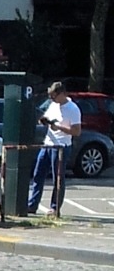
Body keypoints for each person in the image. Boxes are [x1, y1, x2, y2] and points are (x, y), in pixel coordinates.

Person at [29, 81, 82, 216]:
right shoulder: (53, 105)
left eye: (53, 96)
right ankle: (32, 204)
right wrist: (44, 120)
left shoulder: (73, 109)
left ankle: (55, 207)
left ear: (62, 94)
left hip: (61, 146)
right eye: (50, 96)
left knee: (57, 178)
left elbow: (76, 131)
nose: (51, 99)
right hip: (48, 143)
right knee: (38, 174)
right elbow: (45, 117)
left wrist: (58, 127)